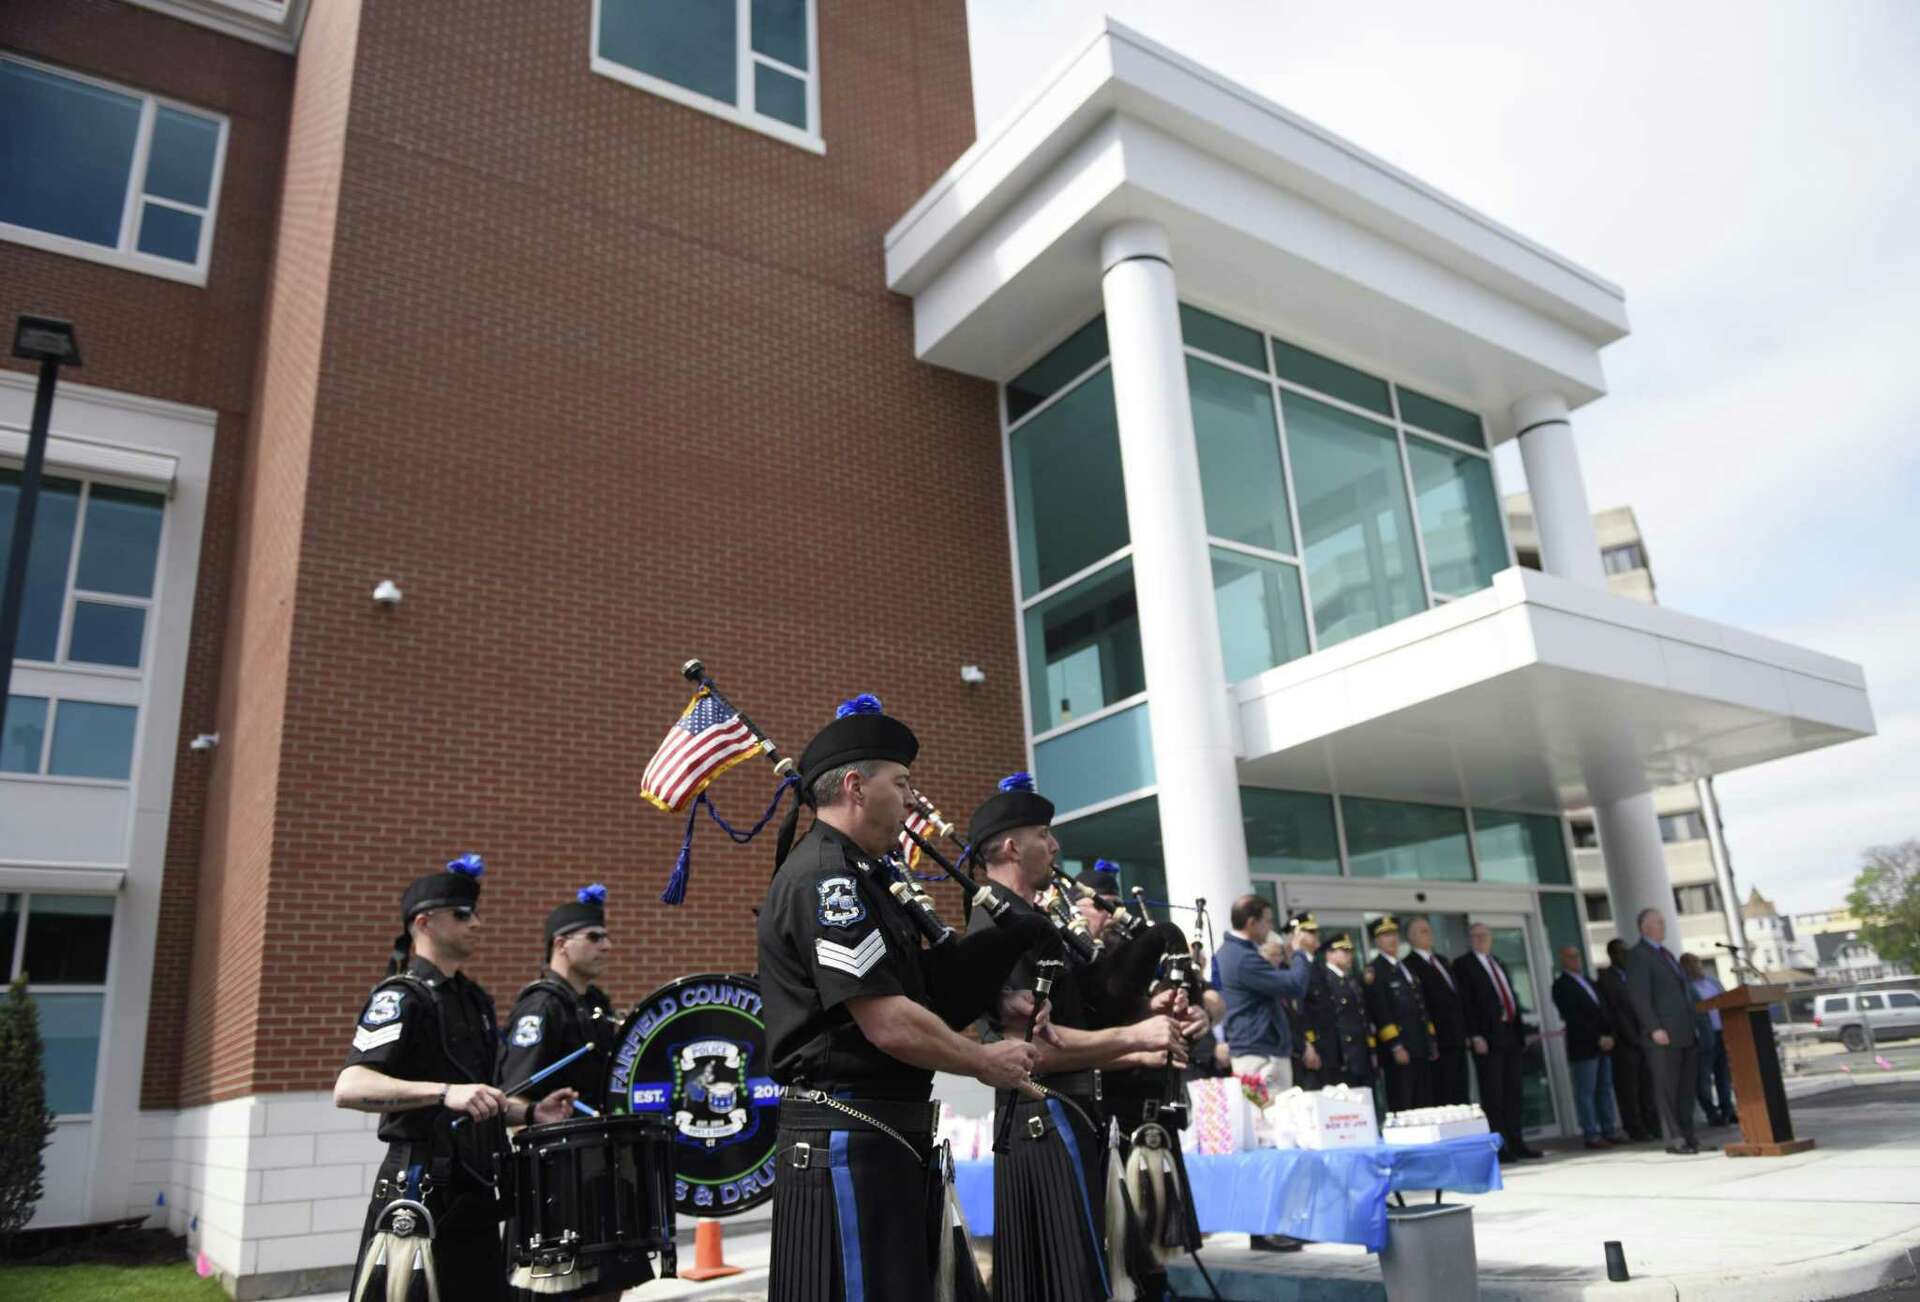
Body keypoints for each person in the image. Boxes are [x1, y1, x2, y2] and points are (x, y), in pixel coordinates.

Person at [758, 695, 1050, 1301]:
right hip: (846, 1142)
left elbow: (922, 993)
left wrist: (998, 983)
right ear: (858, 787)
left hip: (883, 1137)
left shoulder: (869, 875)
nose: (914, 800)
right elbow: (886, 1021)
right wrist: (982, 1060)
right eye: (903, 782)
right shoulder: (826, 878)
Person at [966, 779, 1186, 1302]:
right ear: (1012, 847)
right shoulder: (994, 925)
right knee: (1062, 1283)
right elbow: (1031, 1051)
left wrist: (1143, 1035)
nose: (1057, 846)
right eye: (1044, 834)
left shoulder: (1030, 918)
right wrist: (1133, 1037)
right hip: (1041, 1122)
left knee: (1089, 1276)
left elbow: (1078, 1012)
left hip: (1070, 1114)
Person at [334, 855, 578, 1302]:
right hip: (420, 1188)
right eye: (463, 915)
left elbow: (479, 1097)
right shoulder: (401, 996)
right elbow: (351, 1086)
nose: (477, 923)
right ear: (424, 922)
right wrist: (444, 1092)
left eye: (477, 913)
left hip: (477, 1189)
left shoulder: (474, 1001)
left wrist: (530, 1111)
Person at [497, 882, 628, 1301]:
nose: (607, 946)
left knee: (607, 1289)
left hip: (598, 1174)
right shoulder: (541, 1007)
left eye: (605, 936)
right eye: (594, 937)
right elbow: (511, 1100)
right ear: (561, 944)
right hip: (555, 1185)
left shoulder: (596, 1004)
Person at [1453, 923, 1544, 1160]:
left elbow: (1509, 996)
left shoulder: (1497, 962)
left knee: (1514, 1092)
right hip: (1488, 1038)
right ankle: (1500, 1146)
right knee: (1494, 1095)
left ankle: (1517, 1142)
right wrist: (1475, 1035)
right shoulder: (1464, 965)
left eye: (1484, 935)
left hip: (1510, 1035)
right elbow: (1467, 1004)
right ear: (1470, 940)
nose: (1481, 939)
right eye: (1476, 936)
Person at [1625, 908, 1710, 1155]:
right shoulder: (1638, 956)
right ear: (1645, 928)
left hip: (1684, 1032)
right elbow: (1639, 997)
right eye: (1659, 923)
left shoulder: (1666, 954)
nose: (1664, 926)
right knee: (1667, 1090)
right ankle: (1675, 1139)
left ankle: (1690, 1136)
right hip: (1663, 1035)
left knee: (1685, 1089)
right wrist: (1654, 1028)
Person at [1216, 895, 1313, 1102]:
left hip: (1256, 1050)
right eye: (1267, 921)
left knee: (1266, 1121)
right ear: (1252, 923)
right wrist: (1299, 954)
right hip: (1260, 1054)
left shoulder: (1231, 953)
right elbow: (1294, 986)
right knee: (1272, 1122)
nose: (1271, 928)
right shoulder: (1243, 958)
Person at [1552, 944, 1626, 1149]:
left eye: (1577, 956)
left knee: (1604, 1088)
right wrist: (1597, 1037)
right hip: (1584, 1046)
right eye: (1571, 957)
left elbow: (1605, 1010)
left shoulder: (1589, 982)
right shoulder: (1561, 985)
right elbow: (1573, 1017)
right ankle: (1591, 1134)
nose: (1576, 960)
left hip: (1604, 1044)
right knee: (1586, 1091)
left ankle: (1609, 1130)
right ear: (1563, 960)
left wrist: (1609, 1035)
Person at [1362, 915, 1436, 1115]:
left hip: (1418, 1044)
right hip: (1399, 1049)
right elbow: (1380, 1012)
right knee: (1404, 1103)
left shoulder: (1405, 967)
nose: (1392, 939)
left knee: (1424, 1102)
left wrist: (1430, 1038)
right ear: (1377, 941)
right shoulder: (1375, 970)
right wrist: (1395, 1045)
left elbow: (1421, 1006)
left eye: (1394, 934)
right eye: (1386, 935)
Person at [1598, 938, 1660, 1141]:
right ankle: (1635, 1128)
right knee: (1629, 1089)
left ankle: (1653, 1124)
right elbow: (1614, 1013)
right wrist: (1632, 1037)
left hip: (1645, 1038)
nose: (1627, 956)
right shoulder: (1606, 979)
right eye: (1622, 952)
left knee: (1647, 1086)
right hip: (1625, 1043)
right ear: (1613, 955)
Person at [1404, 917, 1468, 1105]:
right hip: (1438, 1039)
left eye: (1429, 930)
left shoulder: (1441, 960)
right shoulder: (1409, 965)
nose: (1429, 934)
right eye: (1423, 931)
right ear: (1411, 937)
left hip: (1457, 1037)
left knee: (1461, 1092)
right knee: (1443, 1092)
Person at [1300, 934, 1374, 1089]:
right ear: (1329, 953)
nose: (1349, 955)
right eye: (1343, 950)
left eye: (1350, 951)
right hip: (1340, 1056)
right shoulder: (1325, 978)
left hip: (1360, 1055)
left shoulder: (1352, 980)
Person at [1681, 952, 1736, 1127]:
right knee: (1703, 1079)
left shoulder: (1713, 982)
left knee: (1724, 1076)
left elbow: (1728, 999)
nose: (1697, 967)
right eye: (1692, 964)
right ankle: (1712, 1113)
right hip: (1703, 1036)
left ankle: (1728, 1110)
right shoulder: (1684, 987)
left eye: (1698, 963)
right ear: (1684, 968)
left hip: (1722, 1032)